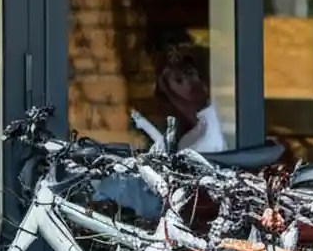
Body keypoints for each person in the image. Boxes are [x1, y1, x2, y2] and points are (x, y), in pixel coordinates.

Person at [91, 45, 223, 221]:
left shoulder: (211, 130)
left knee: (113, 189)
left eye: (189, 75)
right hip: (170, 195)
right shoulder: (188, 129)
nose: (189, 84)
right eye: (178, 80)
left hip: (179, 204)